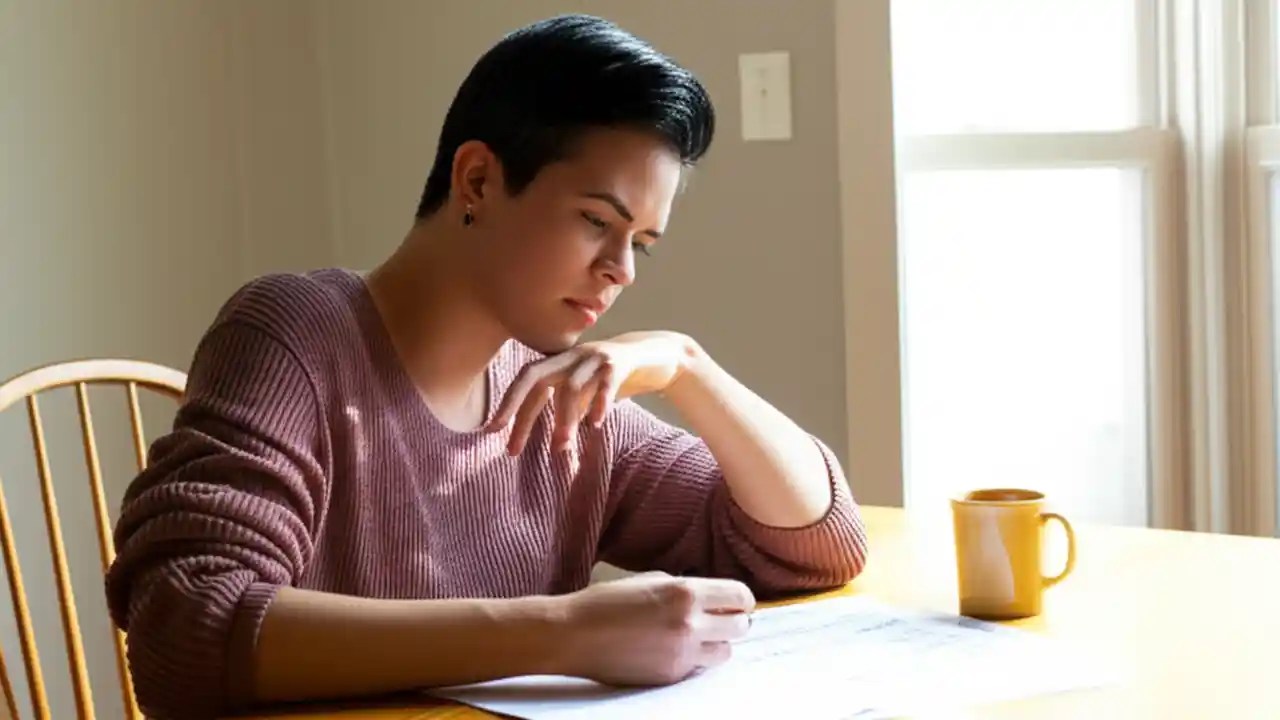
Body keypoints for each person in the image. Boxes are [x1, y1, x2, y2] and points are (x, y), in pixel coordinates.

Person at [105, 13, 868, 719]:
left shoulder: (555, 393)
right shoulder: (295, 336)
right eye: (597, 221)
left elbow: (815, 546)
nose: (620, 271)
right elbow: (187, 626)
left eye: (639, 242)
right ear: (477, 181)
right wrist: (561, 631)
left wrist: (688, 367)